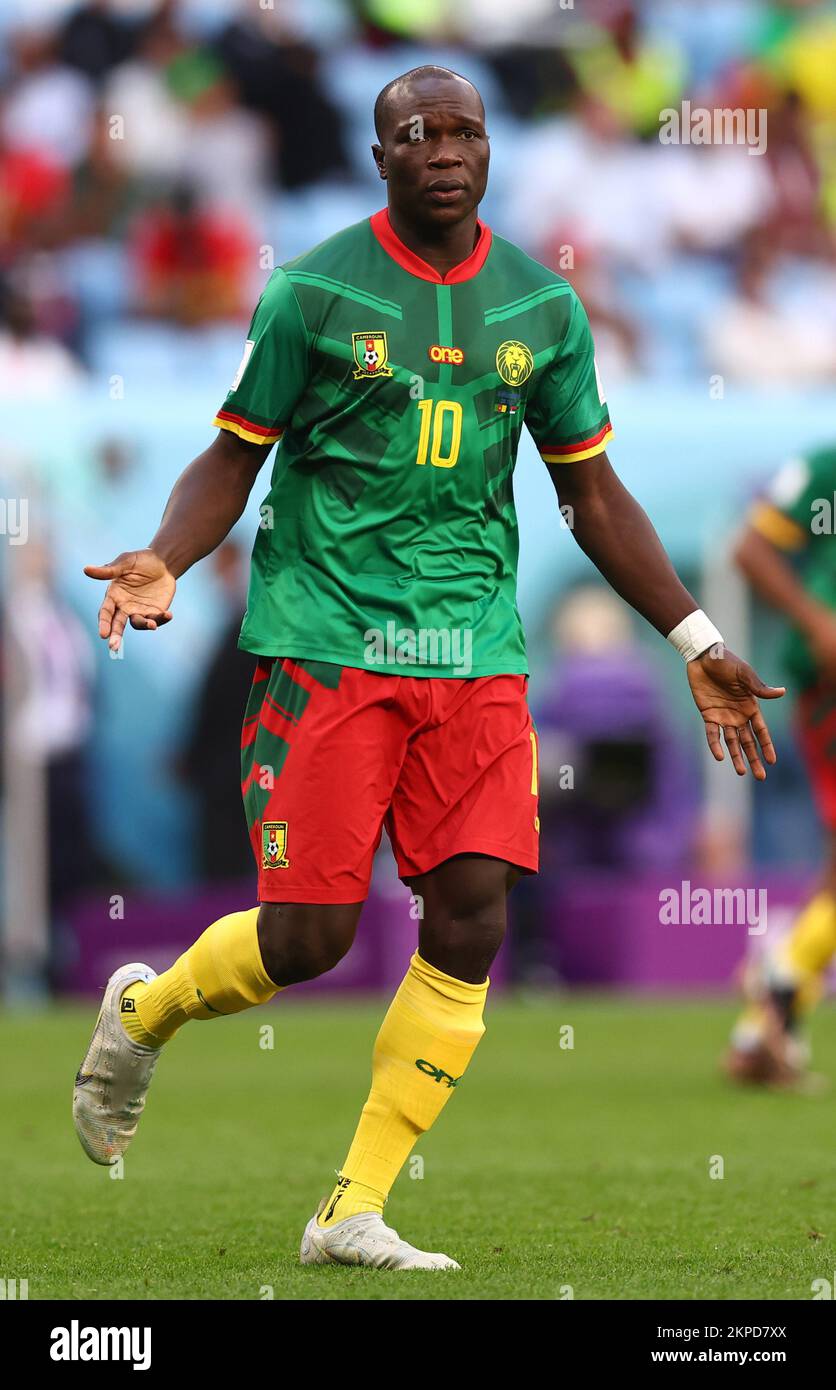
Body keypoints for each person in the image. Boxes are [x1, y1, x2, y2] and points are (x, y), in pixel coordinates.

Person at [74, 66, 783, 1271]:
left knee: (470, 915)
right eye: (418, 133)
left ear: (489, 150)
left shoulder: (541, 310)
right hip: (327, 644)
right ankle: (146, 1011)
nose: (444, 150)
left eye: (464, 131)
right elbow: (231, 459)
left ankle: (349, 1205)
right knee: (308, 940)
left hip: (472, 653)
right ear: (380, 155)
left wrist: (697, 639)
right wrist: (166, 556)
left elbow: (591, 497)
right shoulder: (309, 295)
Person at [726, 446, 836, 1086]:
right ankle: (780, 990)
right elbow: (750, 548)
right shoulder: (824, 470)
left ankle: (765, 1018)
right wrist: (817, 622)